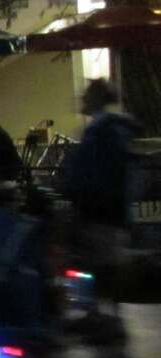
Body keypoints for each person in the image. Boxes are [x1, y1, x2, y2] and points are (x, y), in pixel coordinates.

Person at [63, 79, 140, 339]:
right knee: (98, 264)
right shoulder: (110, 129)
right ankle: (102, 316)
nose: (82, 99)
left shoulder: (102, 131)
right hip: (105, 207)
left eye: (87, 95)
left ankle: (108, 320)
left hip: (101, 207)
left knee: (102, 265)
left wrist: (78, 189)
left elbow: (97, 170)